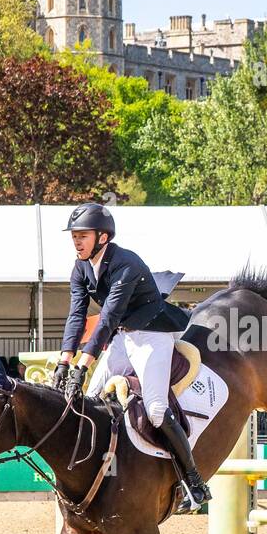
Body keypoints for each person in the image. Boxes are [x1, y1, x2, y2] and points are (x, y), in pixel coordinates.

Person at [54, 201, 208, 513]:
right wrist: (64, 361)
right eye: (74, 236)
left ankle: (193, 482)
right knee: (93, 398)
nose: (76, 241)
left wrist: (83, 365)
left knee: (154, 409)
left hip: (152, 334)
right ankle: (99, 479)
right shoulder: (80, 267)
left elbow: (108, 318)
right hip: (125, 334)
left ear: (103, 238)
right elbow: (76, 315)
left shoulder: (126, 264)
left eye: (82, 235)